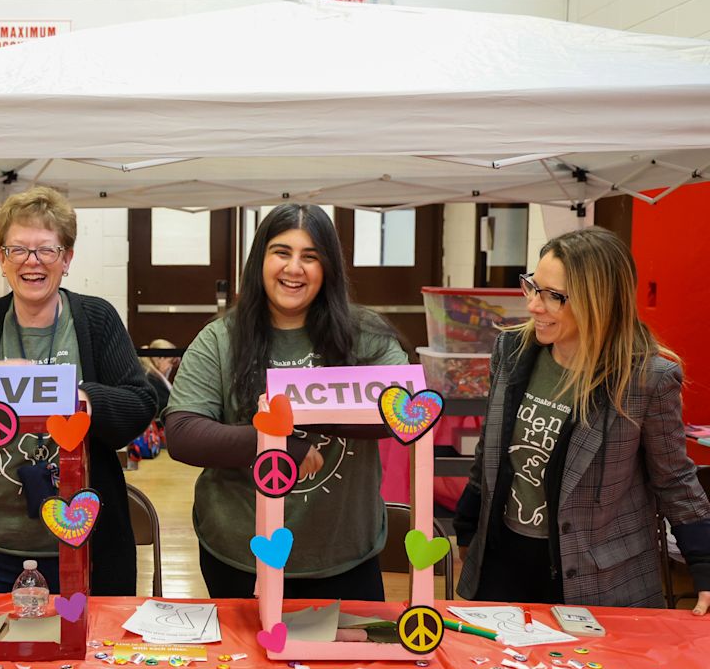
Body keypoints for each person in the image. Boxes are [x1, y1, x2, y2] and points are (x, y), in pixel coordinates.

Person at [0, 186, 156, 595]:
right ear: (2, 259)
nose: (31, 262)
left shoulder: (97, 319)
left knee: (87, 657)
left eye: (46, 250)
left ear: (67, 258)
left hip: (86, 545)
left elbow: (141, 403)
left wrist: (76, 396)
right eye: (18, 249)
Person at [454, 227, 710, 612]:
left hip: (599, 580)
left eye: (553, 296)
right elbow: (493, 446)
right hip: (505, 565)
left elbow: (673, 478)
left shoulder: (646, 379)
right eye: (532, 287)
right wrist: (468, 521)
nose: (534, 306)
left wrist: (704, 565)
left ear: (599, 301)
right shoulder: (512, 350)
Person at [165, 203, 406, 600]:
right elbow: (183, 433)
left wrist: (302, 416)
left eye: (310, 257)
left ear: (328, 268)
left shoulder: (367, 334)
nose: (294, 268)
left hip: (344, 555)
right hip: (239, 556)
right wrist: (277, 445)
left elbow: (406, 410)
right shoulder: (219, 338)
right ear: (260, 259)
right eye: (281, 252)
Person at [140, 338, 178, 414]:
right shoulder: (153, 383)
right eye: (170, 362)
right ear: (160, 358)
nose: (171, 367)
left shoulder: (149, 378)